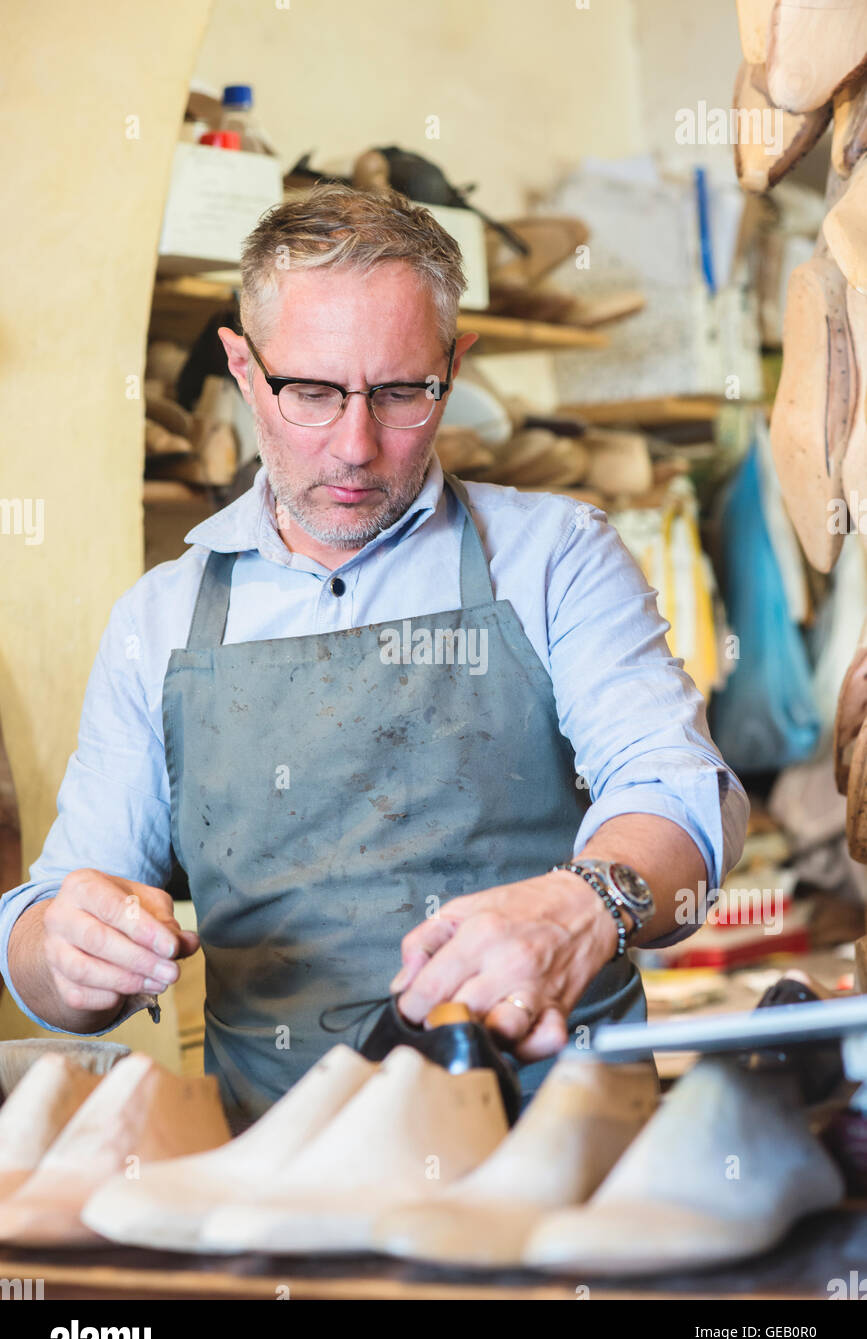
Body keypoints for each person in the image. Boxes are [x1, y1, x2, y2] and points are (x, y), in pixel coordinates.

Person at [0, 186, 748, 1129]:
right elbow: (51, 928)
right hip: (274, 1172)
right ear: (241, 366)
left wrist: (586, 905)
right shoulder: (159, 620)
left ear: (454, 366)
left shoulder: (554, 555)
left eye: (401, 393)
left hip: (561, 1150)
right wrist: (61, 950)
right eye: (309, 392)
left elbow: (679, 793)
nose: (354, 447)